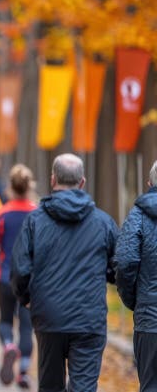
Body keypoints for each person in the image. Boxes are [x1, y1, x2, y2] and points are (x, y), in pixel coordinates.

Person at [11, 154, 118, 392]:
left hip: (49, 316)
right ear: (82, 181)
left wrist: (25, 298)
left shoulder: (34, 221)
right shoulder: (104, 223)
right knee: (84, 386)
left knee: (50, 385)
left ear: (52, 179)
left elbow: (19, 268)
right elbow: (120, 264)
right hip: (89, 317)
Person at [0, 164, 37, 388]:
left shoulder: (1, 214)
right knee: (26, 325)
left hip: (6, 276)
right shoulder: (37, 213)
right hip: (31, 279)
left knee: (5, 320)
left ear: (10, 187)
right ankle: (24, 371)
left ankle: (8, 346)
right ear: (29, 186)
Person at [115, 160, 157, 391]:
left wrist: (135, 301)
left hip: (150, 318)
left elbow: (125, 261)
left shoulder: (138, 216)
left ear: (149, 183)